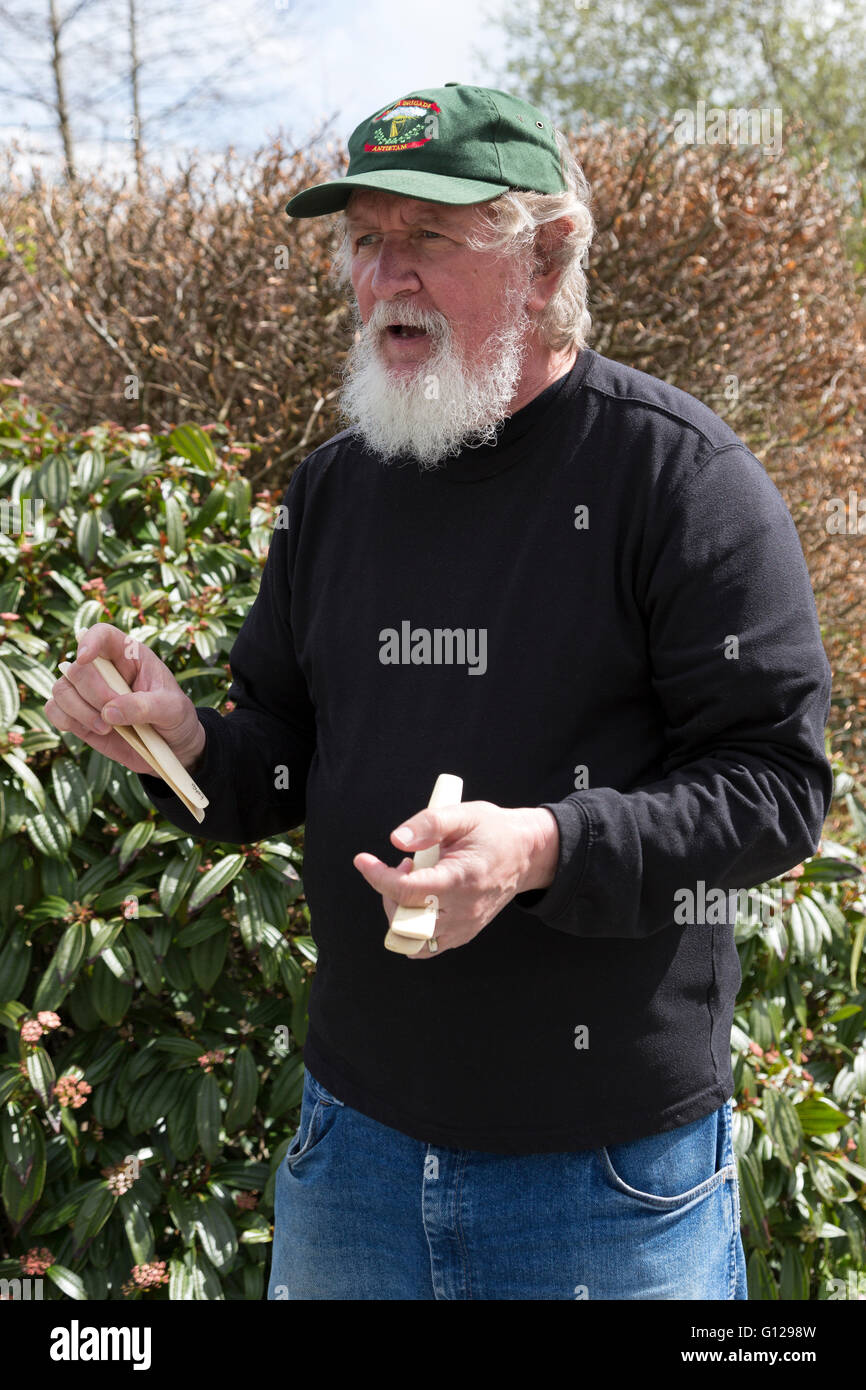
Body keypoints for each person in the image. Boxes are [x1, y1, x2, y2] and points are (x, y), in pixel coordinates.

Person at [45, 83, 833, 1300]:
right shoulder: (334, 491)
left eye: (428, 238)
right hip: (351, 1151)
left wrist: (540, 847)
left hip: (607, 1186)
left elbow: (776, 790)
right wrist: (180, 737)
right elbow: (278, 762)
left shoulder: (678, 479)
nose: (383, 278)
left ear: (546, 256)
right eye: (364, 240)